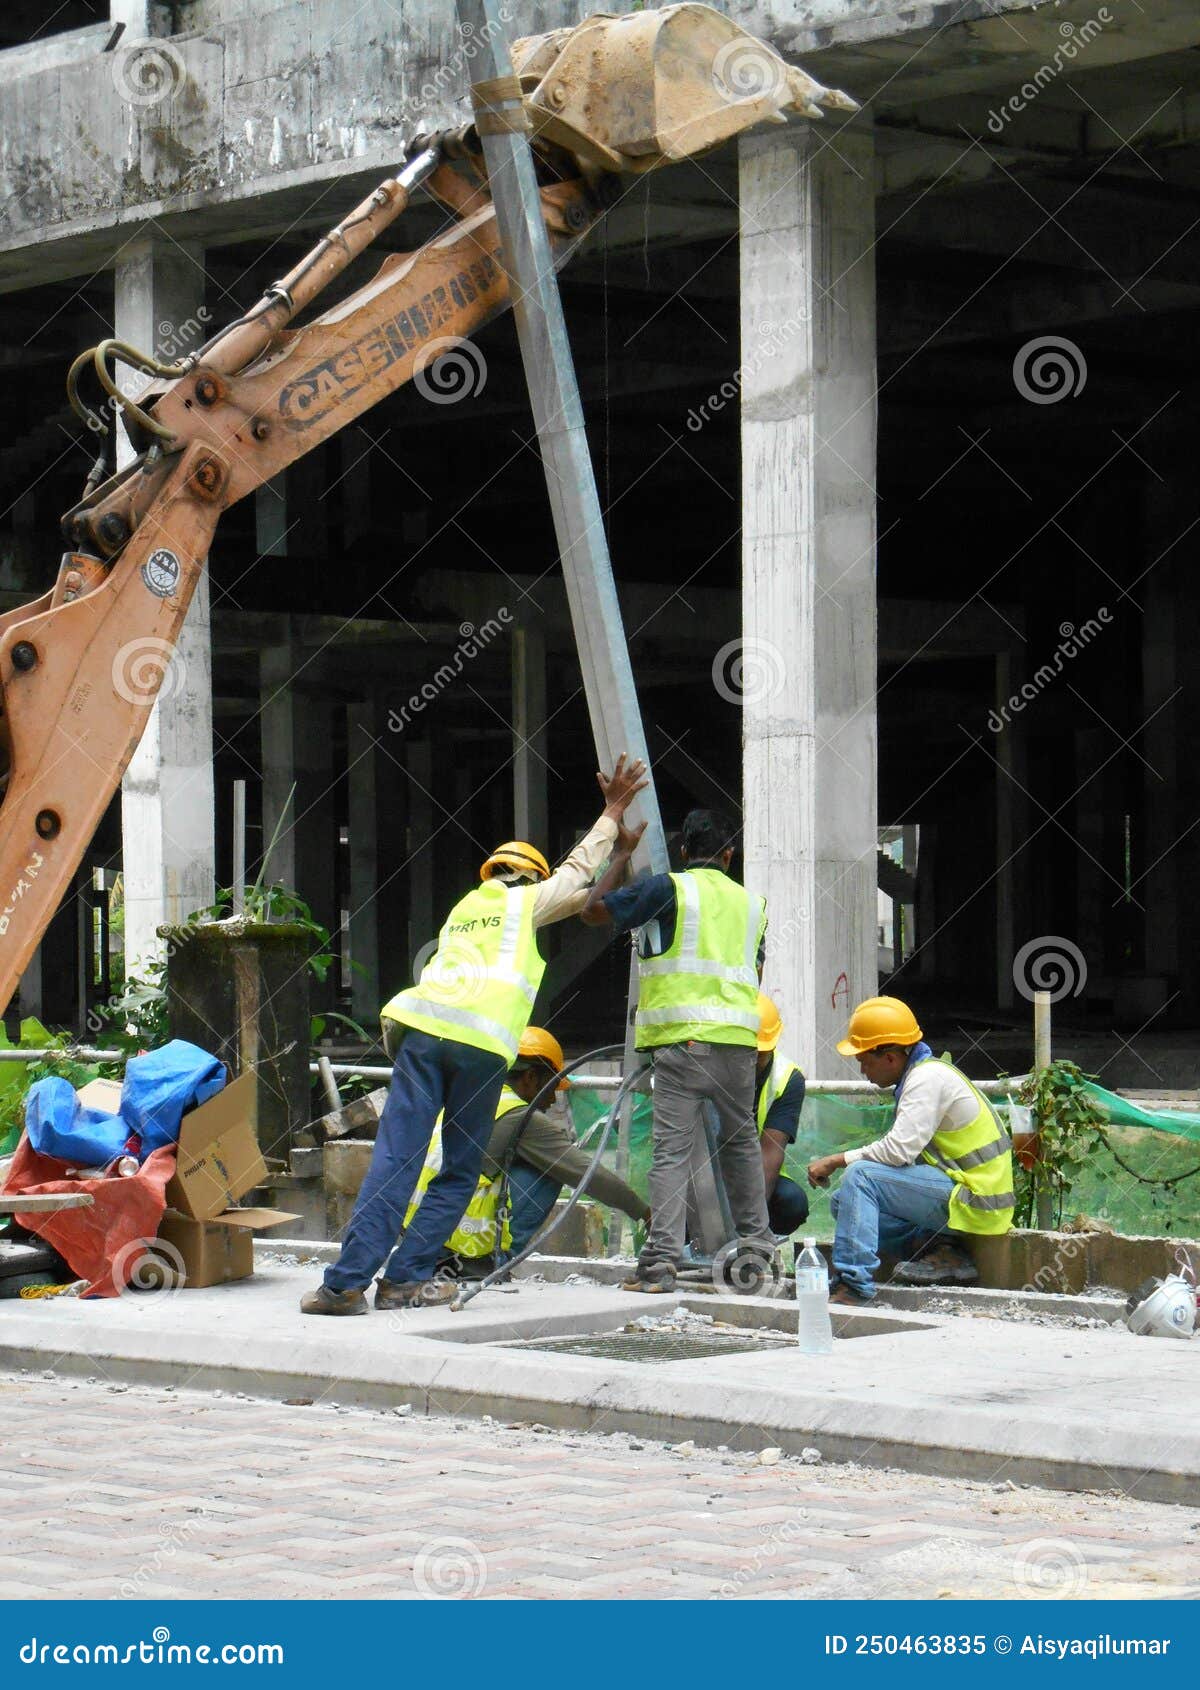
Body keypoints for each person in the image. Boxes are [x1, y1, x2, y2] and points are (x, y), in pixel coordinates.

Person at [301, 754, 648, 1316]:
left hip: (420, 1034)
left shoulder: (465, 909)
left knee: (395, 1160)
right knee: (460, 1170)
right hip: (480, 1051)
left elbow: (576, 897)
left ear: (492, 872)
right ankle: (405, 1280)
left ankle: (342, 1287)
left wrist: (619, 852)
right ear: (532, 877)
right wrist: (611, 816)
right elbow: (576, 882)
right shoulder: (524, 904)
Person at [582, 806, 775, 1294]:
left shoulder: (668, 888)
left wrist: (622, 853)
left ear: (685, 852)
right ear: (729, 855)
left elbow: (591, 911)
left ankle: (660, 1265)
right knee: (743, 1148)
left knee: (671, 1153)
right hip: (737, 1045)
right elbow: (754, 973)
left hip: (682, 1043)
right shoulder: (754, 905)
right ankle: (759, 1257)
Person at [807, 995, 1015, 1305]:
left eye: (865, 1060)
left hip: (975, 1198)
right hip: (967, 1193)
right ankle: (942, 1250)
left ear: (890, 1057)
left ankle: (854, 1286)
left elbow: (898, 1152)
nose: (862, 1069)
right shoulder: (922, 1075)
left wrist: (838, 1159)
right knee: (843, 1202)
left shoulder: (925, 1079)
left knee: (860, 1177)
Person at [403, 1026, 650, 1275]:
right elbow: (588, 1175)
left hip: (417, 1237)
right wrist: (644, 1212)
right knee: (551, 1170)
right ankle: (489, 1262)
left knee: (525, 1162)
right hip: (456, 1240)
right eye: (552, 1086)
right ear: (530, 1077)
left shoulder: (471, 1097)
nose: (553, 1099)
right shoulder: (523, 1116)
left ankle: (460, 1261)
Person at [753, 993, 810, 1242]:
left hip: (755, 1173)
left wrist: (750, 1230)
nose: (751, 1062)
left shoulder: (787, 1079)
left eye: (759, 1054)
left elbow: (770, 1156)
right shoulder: (709, 1070)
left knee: (791, 1202)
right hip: (708, 1173)